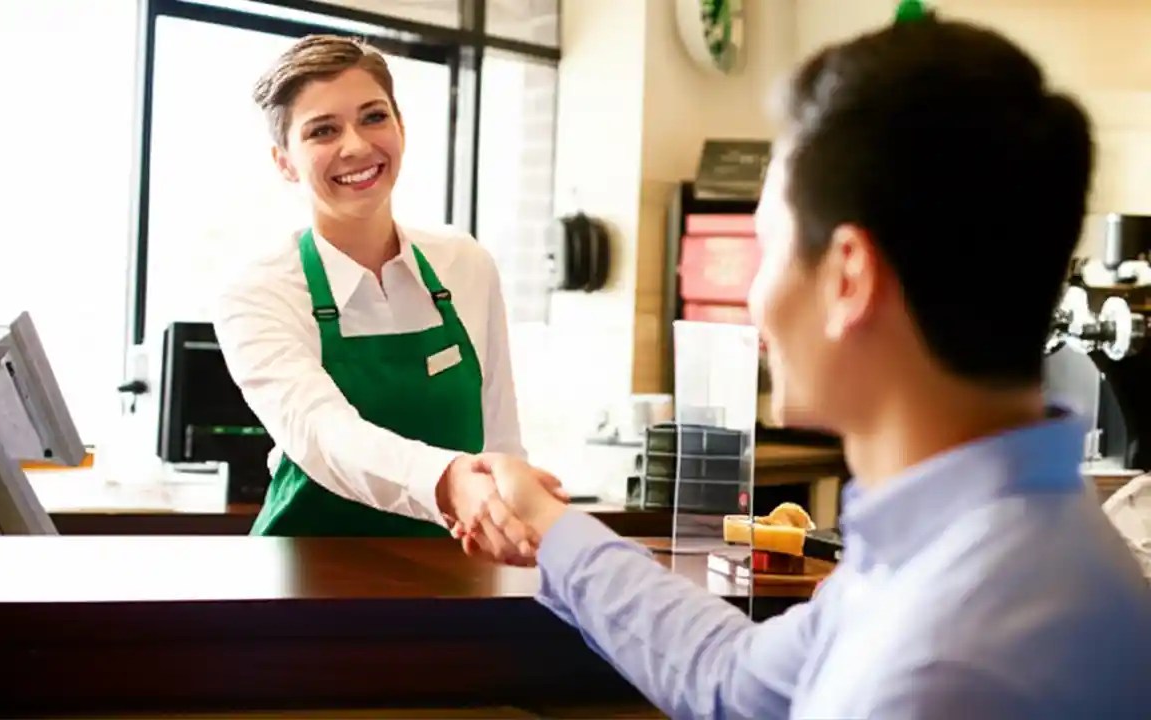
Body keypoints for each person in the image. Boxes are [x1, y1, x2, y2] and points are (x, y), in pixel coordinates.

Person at [456, 14, 1151, 719]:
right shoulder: (993, 541)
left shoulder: (939, 671)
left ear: (848, 277)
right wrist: (552, 526)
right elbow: (734, 675)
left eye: (768, 249)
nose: (755, 299)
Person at [213, 34, 556, 561]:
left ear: (400, 127)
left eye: (373, 117)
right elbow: (323, 435)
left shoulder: (465, 265)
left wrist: (523, 515)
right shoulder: (259, 292)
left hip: (456, 578)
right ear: (285, 161)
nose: (355, 146)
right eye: (323, 130)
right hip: (299, 589)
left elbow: (501, 443)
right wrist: (448, 482)